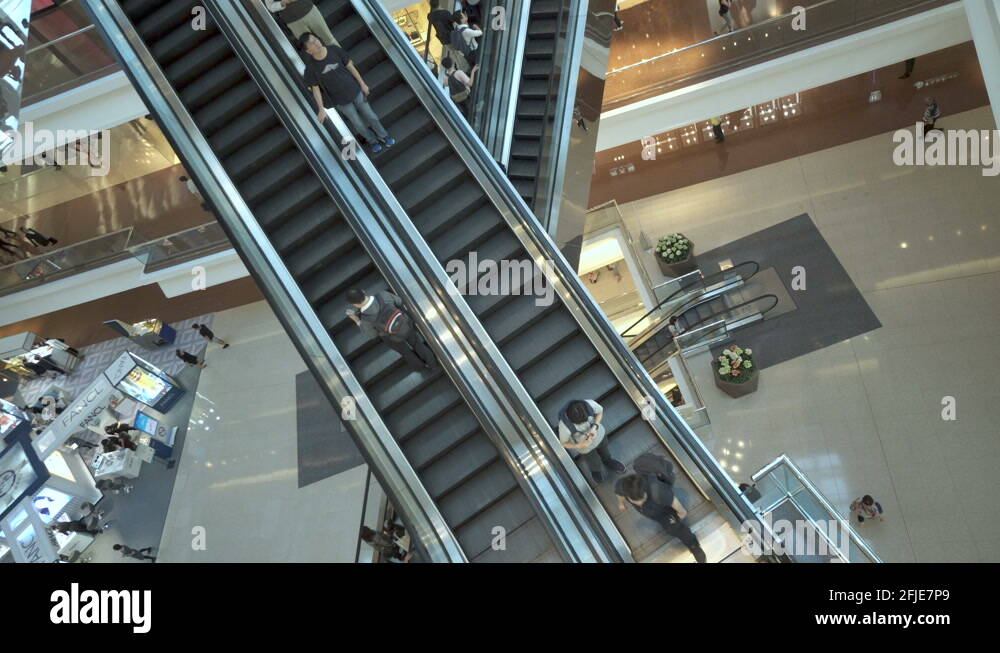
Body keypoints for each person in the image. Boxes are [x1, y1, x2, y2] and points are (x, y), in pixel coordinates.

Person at [300, 33, 396, 153]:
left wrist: (362, 84)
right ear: (309, 51)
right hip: (340, 101)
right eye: (311, 44)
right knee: (358, 124)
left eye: (315, 40)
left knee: (371, 116)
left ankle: (383, 135)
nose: (316, 43)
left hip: (355, 91)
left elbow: (350, 67)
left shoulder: (334, 50)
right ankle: (372, 141)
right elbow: (315, 89)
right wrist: (321, 109)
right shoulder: (311, 68)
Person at [616, 473, 707, 562]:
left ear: (644, 491)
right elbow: (619, 493)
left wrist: (682, 512)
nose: (640, 503)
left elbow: (673, 501)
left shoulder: (658, 491)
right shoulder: (623, 485)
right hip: (651, 512)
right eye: (635, 501)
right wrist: (621, 503)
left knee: (676, 528)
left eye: (642, 499)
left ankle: (694, 546)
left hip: (664, 511)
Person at [345, 288, 437, 371]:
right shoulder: (383, 295)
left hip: (392, 338)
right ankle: (432, 364)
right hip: (405, 324)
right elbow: (399, 301)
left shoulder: (365, 319)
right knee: (417, 342)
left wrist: (357, 320)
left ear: (355, 304)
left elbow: (373, 335)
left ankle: (419, 367)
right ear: (363, 291)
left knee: (405, 352)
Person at [556, 399, 626, 483]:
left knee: (605, 451)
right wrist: (579, 445)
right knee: (592, 460)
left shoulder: (590, 405)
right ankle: (595, 470)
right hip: (584, 447)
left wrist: (595, 426)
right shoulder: (564, 427)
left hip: (599, 435)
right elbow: (563, 443)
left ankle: (608, 460)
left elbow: (600, 412)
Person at [263, 0, 338, 46]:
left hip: (310, 11)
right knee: (312, 49)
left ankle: (347, 67)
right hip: (293, 22)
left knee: (330, 40)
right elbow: (270, 7)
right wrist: (282, 3)